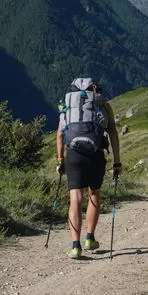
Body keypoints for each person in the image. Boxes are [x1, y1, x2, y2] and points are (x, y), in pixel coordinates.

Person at [56, 77, 122, 259]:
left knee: (75, 198)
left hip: (74, 155)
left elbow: (60, 136)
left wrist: (60, 160)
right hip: (96, 154)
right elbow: (113, 133)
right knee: (94, 193)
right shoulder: (103, 105)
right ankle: (89, 238)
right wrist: (117, 161)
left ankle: (75, 246)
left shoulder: (69, 106)